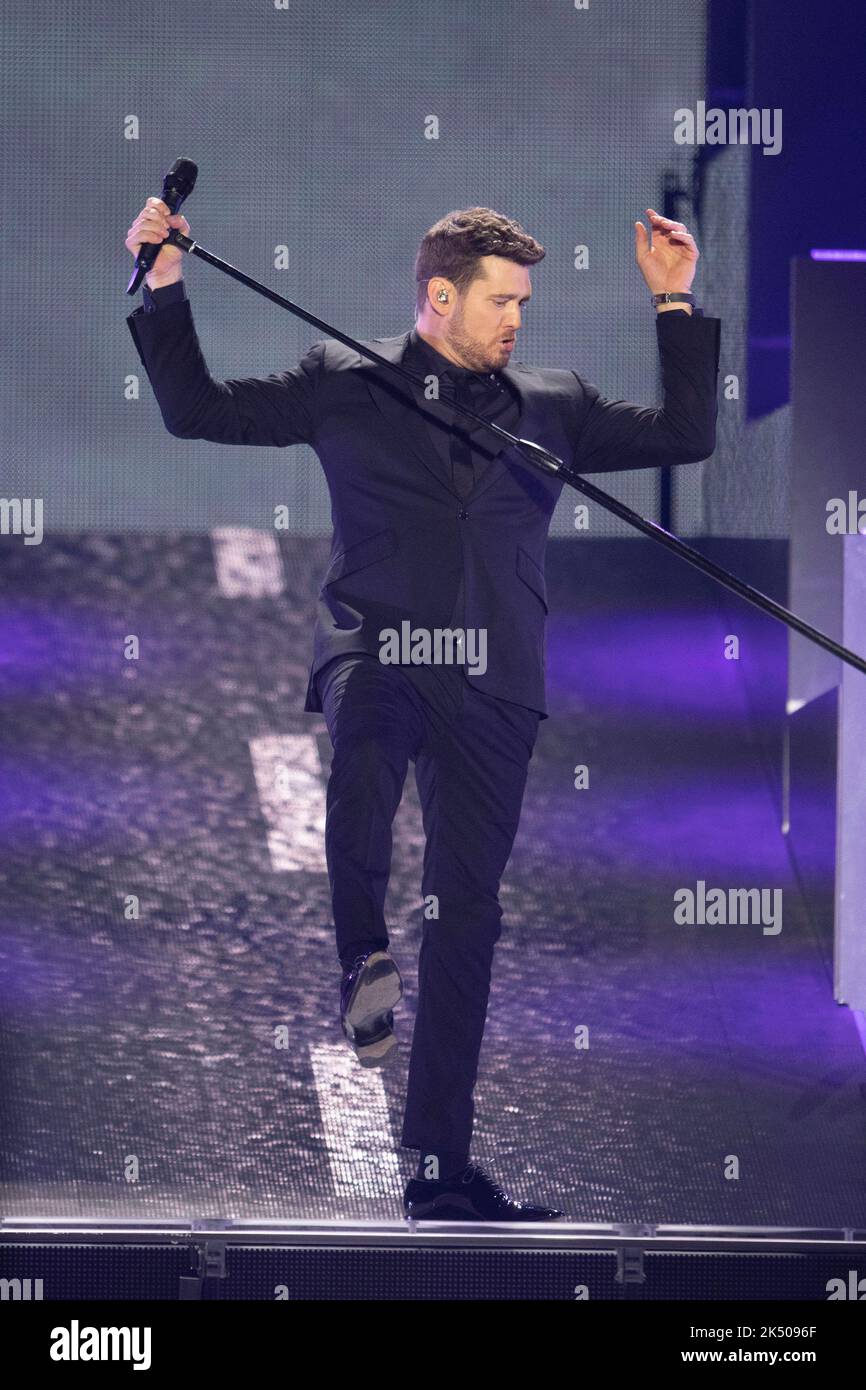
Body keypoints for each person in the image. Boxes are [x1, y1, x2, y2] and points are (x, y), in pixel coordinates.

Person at [125, 200, 720, 1221]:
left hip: (495, 681)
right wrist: (165, 282)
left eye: (524, 304)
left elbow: (683, 434)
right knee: (360, 764)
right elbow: (200, 410)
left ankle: (439, 1170)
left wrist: (671, 296)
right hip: (379, 644)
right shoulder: (344, 382)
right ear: (439, 297)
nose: (516, 321)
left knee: (465, 922)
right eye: (500, 301)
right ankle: (361, 958)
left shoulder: (553, 405)